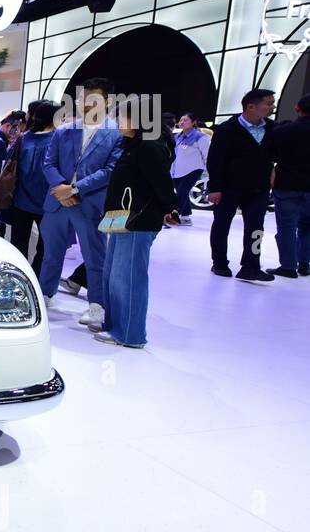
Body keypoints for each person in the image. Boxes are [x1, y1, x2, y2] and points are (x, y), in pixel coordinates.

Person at [38, 77, 122, 330]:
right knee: (51, 253)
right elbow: (48, 163)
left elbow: (110, 170)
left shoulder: (116, 133)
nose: (85, 104)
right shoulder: (64, 130)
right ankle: (45, 294)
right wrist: (61, 189)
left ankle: (97, 304)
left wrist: (73, 189)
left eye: (92, 99)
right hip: (57, 202)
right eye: (82, 98)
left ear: (107, 101)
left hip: (89, 203)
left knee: (95, 256)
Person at [95, 110, 179, 348]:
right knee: (114, 275)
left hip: (138, 221)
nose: (118, 122)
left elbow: (163, 186)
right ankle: (114, 325)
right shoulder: (135, 144)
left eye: (123, 117)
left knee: (128, 278)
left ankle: (130, 334)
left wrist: (170, 208)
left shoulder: (150, 147)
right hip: (123, 219)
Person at [207, 88, 275, 282]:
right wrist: (215, 188)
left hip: (258, 189)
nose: (272, 107)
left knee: (256, 228)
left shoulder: (271, 128)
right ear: (251, 106)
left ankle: (251, 266)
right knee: (221, 225)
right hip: (228, 188)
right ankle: (219, 262)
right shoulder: (227, 129)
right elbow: (215, 160)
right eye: (268, 103)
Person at [9, 100, 59, 275]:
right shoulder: (56, 140)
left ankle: (18, 276)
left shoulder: (23, 138)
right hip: (47, 202)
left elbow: (10, 163)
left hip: (20, 199)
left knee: (18, 243)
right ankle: (36, 279)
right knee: (46, 246)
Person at [267, 93, 310, 277]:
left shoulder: (283, 131)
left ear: (297, 109)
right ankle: (304, 263)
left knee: (286, 227)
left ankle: (288, 266)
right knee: (308, 227)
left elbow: (272, 156)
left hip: (287, 185)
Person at [170, 112, 209, 227]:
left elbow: (207, 154)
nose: (181, 122)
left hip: (194, 169)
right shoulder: (176, 136)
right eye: (181, 120)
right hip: (177, 171)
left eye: (185, 120)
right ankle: (186, 218)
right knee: (183, 193)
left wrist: (208, 170)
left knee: (181, 193)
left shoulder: (200, 137)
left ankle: (173, 217)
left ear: (193, 122)